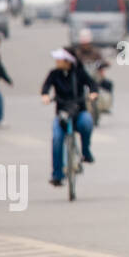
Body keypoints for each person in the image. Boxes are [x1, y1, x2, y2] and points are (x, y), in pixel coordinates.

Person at [41, 47, 97, 187]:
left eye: (60, 59)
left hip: (79, 111)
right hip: (62, 114)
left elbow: (92, 83)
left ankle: (85, 152)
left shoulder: (79, 73)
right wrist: (46, 95)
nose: (57, 61)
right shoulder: (54, 74)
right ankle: (57, 174)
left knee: (87, 122)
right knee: (57, 139)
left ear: (68, 61)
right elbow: (46, 86)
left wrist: (93, 93)